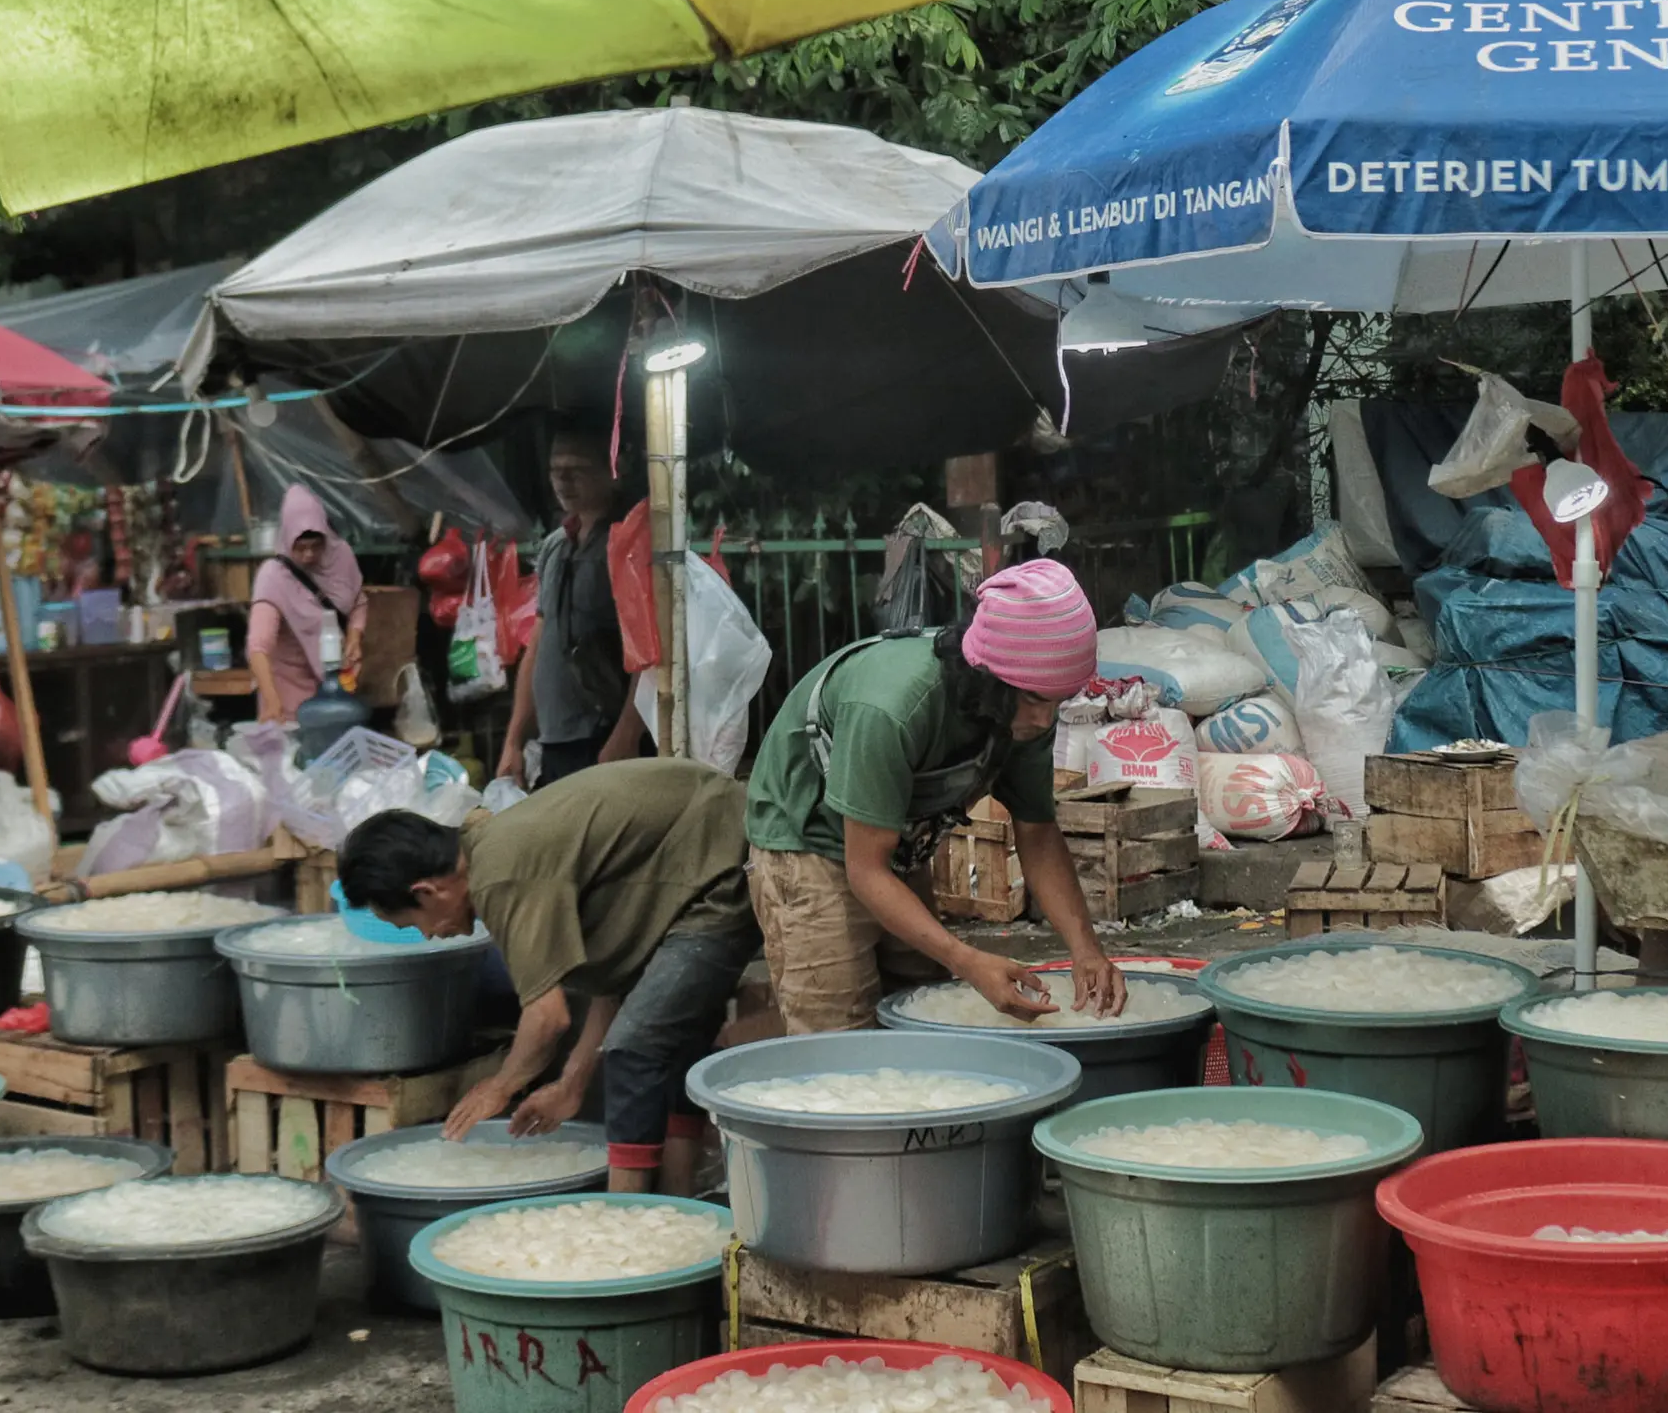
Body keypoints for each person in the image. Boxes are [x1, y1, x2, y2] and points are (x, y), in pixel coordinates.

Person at [337, 758, 755, 1195]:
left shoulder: (500, 874)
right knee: (673, 1042)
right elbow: (616, 985)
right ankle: (678, 1199)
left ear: (427, 891)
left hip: (724, 864)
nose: (427, 935)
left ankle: (626, 1217)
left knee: (636, 1049)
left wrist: (501, 1086)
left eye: (414, 923)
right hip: (710, 851)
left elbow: (548, 1017)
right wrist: (571, 1084)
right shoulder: (495, 850)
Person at [743, 558, 1127, 1032]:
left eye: (1058, 701)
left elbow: (1038, 832)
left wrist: (1086, 949)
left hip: (896, 843)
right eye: (1033, 700)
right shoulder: (891, 708)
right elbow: (866, 870)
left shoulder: (1025, 711)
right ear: (987, 677)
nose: (1045, 720)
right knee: (841, 1038)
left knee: (923, 1011)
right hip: (809, 844)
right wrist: (968, 960)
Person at [499, 431, 645, 787]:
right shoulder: (555, 546)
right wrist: (514, 741)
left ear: (611, 473)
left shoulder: (627, 544)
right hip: (555, 738)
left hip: (602, 735)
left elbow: (652, 648)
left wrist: (626, 734)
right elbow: (538, 643)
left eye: (577, 469)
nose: (563, 480)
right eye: (555, 470)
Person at [248, 486, 366, 724]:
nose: (309, 555)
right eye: (300, 548)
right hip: (288, 693)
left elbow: (358, 602)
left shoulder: (340, 557)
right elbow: (258, 646)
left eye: (316, 545)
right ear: (286, 539)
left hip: (336, 687)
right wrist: (272, 701)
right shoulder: (273, 576)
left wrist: (354, 638)